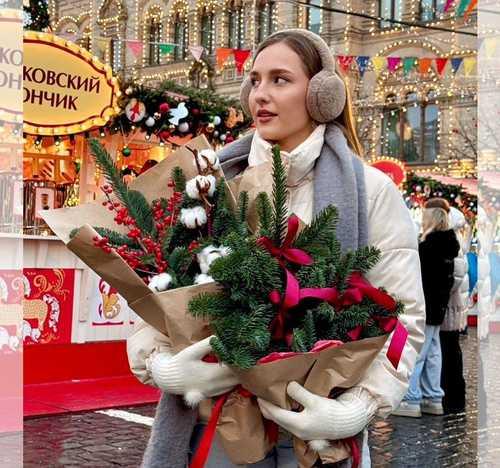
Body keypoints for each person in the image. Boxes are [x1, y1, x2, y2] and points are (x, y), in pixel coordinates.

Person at [127, 29, 425, 467]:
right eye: (255, 80)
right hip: (215, 420)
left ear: (322, 95)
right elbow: (158, 285)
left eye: (280, 79)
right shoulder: (211, 181)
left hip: (314, 427)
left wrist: (358, 406)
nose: (260, 94)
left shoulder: (372, 191)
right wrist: (159, 364)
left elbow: (404, 317)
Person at [393, 206, 459, 418]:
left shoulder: (428, 247)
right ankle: (433, 396)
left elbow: (417, 279)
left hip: (425, 305)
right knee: (432, 350)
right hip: (439, 306)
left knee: (418, 350)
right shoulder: (448, 246)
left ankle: (411, 398)